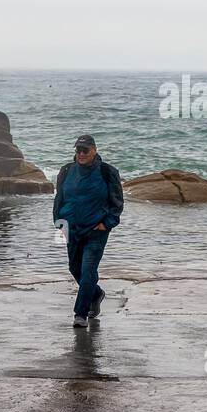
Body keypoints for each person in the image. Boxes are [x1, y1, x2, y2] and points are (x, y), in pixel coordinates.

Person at [52, 134, 124, 327]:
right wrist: (59, 223)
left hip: (96, 230)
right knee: (74, 268)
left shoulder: (107, 172)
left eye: (85, 150)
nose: (81, 154)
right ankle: (97, 294)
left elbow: (117, 203)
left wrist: (106, 224)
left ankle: (80, 314)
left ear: (95, 150)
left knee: (88, 270)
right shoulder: (66, 170)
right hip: (71, 228)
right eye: (78, 150)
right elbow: (60, 198)